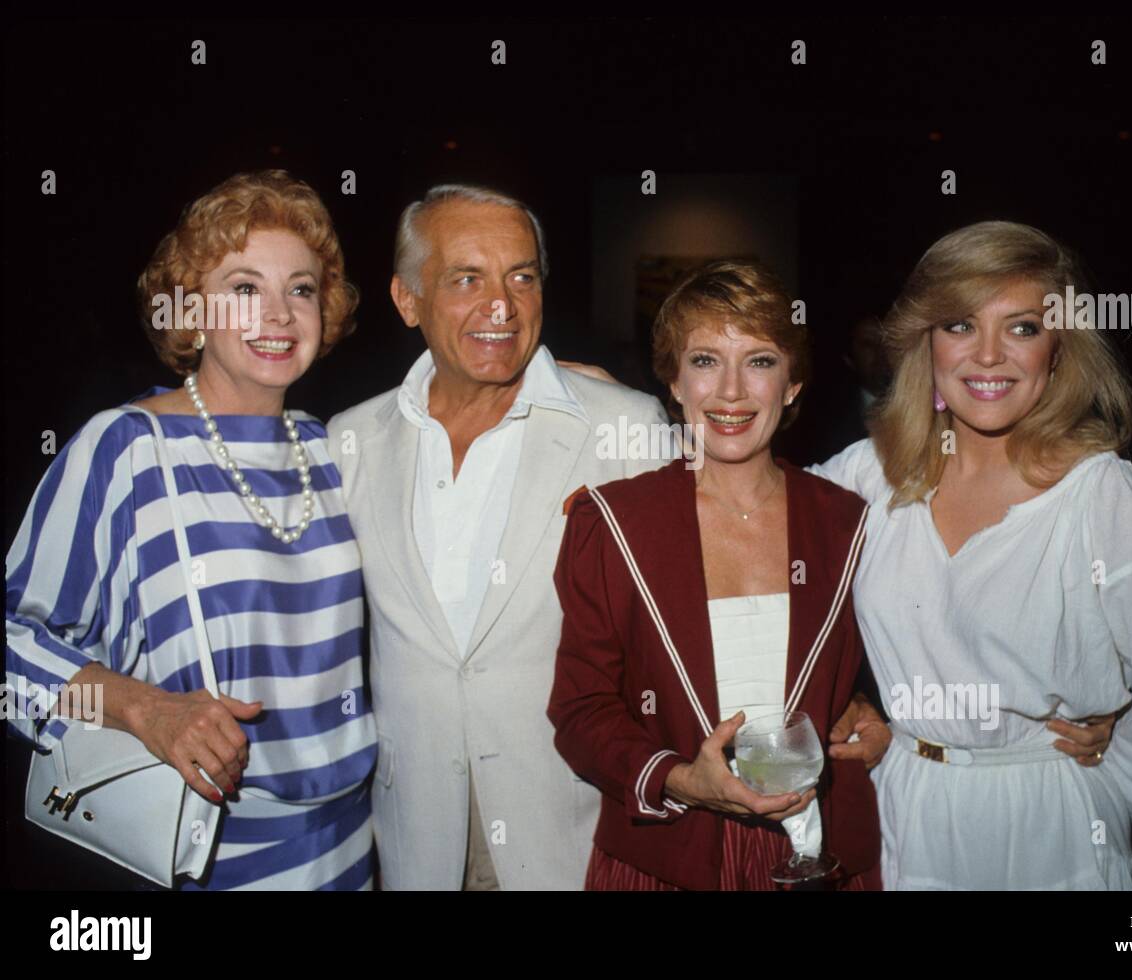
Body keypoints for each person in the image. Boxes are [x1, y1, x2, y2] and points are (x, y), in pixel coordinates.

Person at [817, 221, 1132, 889]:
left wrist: (1102, 790)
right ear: (926, 343)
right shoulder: (870, 475)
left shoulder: (1103, 495)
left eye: (1021, 328)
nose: (987, 356)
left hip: (1055, 828)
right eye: (959, 325)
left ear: (1059, 350)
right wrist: (838, 704)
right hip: (906, 815)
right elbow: (745, 531)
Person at [6, 170, 377, 889]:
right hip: (204, 855)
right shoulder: (125, 449)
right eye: (244, 288)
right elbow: (10, 652)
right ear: (191, 310)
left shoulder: (332, 448)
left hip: (351, 850)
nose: (278, 313)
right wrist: (146, 708)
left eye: (300, 289)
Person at [326, 183, 668, 890]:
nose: (501, 306)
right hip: (411, 833)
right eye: (465, 279)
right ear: (407, 299)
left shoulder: (624, 425)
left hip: (571, 827)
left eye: (521, 276)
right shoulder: (350, 440)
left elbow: (693, 610)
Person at [547, 259, 892, 890]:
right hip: (666, 856)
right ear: (673, 382)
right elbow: (580, 711)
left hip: (820, 857)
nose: (731, 391)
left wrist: (876, 710)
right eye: (705, 360)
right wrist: (681, 779)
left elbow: (902, 655)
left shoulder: (847, 520)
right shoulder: (614, 521)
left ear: (792, 385)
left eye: (759, 361)